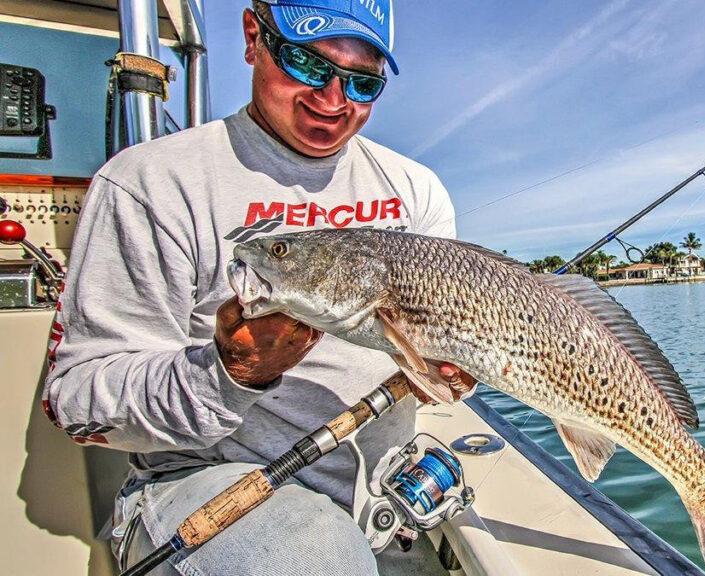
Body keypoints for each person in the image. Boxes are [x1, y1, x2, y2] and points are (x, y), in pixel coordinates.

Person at [41, 1, 474, 574]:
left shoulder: (416, 189)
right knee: (312, 556)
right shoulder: (148, 183)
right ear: (253, 37)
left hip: (384, 501)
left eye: (363, 83)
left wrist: (449, 366)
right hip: (204, 488)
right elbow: (77, 399)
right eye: (306, 63)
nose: (332, 100)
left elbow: (439, 358)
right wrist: (228, 371)